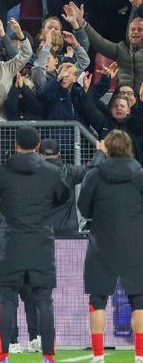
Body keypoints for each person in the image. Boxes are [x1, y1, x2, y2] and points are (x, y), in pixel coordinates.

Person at [0, 126, 71, 363]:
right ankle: (48, 356)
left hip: (10, 245)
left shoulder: (3, 171)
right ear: (38, 146)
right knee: (44, 301)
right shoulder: (51, 172)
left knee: (8, 301)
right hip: (40, 244)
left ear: (16, 145)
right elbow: (64, 196)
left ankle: (3, 356)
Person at [78, 130, 143, 363]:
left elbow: (84, 209)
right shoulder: (140, 174)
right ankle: (140, 356)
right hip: (136, 244)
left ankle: (98, 356)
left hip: (102, 244)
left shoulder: (95, 175)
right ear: (128, 147)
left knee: (97, 300)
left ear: (106, 148)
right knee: (139, 300)